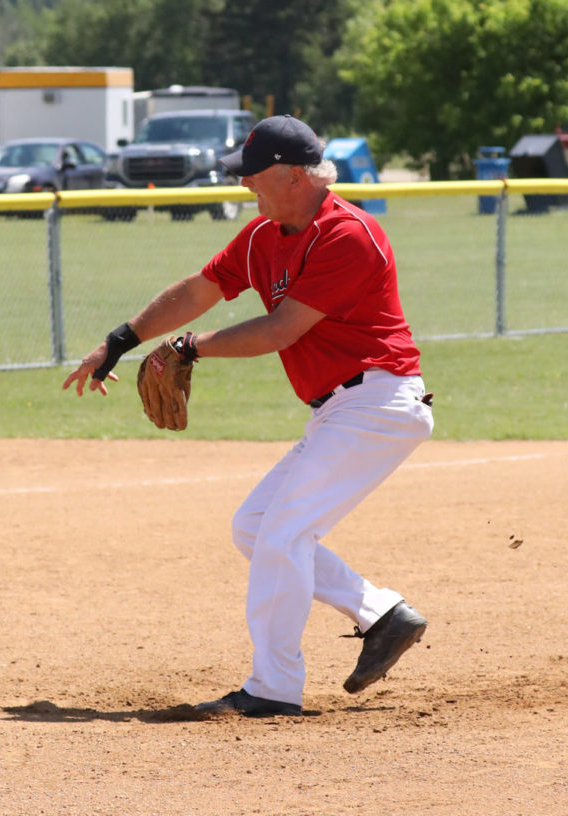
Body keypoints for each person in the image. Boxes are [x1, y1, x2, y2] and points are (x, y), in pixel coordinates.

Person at [63, 115, 435, 716]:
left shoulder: (347, 235)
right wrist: (119, 341)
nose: (244, 184)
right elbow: (199, 290)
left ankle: (273, 688)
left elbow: (282, 329)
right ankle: (383, 615)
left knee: (284, 533)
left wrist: (190, 347)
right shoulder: (263, 234)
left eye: (253, 173)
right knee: (256, 527)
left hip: (377, 401)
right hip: (341, 408)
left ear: (293, 176)